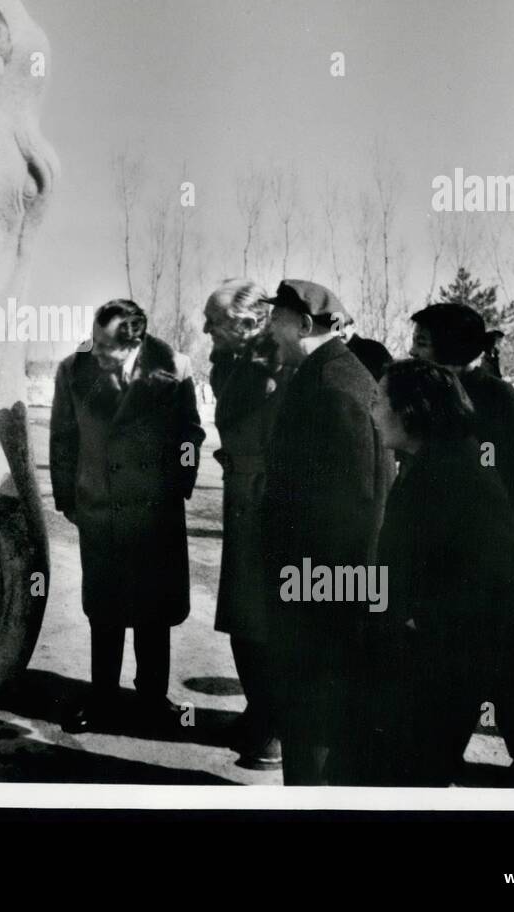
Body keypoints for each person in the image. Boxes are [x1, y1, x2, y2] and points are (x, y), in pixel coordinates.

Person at [409, 303, 514, 786]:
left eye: (422, 343)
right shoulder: (442, 397)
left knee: (478, 672)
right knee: (499, 675)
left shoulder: (497, 400)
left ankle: (430, 773)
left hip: (494, 577)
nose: (413, 350)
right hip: (464, 579)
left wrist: (489, 528)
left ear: (451, 351)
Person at [50, 299, 207, 733]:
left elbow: (190, 433)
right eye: (95, 340)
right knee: (105, 610)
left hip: (155, 514)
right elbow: (62, 438)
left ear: (134, 341)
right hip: (100, 510)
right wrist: (69, 498)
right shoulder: (73, 369)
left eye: (106, 347)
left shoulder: (172, 367)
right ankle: (102, 699)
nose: (95, 352)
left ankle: (153, 700)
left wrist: (179, 484)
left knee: (153, 612)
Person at [257, 280, 391, 784]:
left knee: (313, 720)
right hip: (317, 586)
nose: (269, 328)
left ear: (306, 325)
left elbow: (358, 506)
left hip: (324, 595)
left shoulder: (335, 386)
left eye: (277, 319)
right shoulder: (321, 374)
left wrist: (322, 599)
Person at [366, 359, 514, 786]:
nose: (372, 411)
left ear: (411, 412)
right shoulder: (426, 460)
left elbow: (496, 568)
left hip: (445, 662)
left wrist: (423, 618)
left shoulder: (455, 471)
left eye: (379, 401)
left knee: (416, 773)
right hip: (426, 655)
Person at [204, 279, 286, 769]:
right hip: (242, 499)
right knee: (242, 617)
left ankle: (274, 730)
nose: (204, 329)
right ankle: (259, 711)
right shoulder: (231, 364)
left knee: (265, 620)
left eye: (214, 321)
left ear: (248, 322)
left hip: (268, 504)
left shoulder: (279, 364)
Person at [342, 316, 394, 382]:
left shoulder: (372, 347)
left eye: (343, 326)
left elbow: (388, 376)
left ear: (353, 326)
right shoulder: (335, 355)